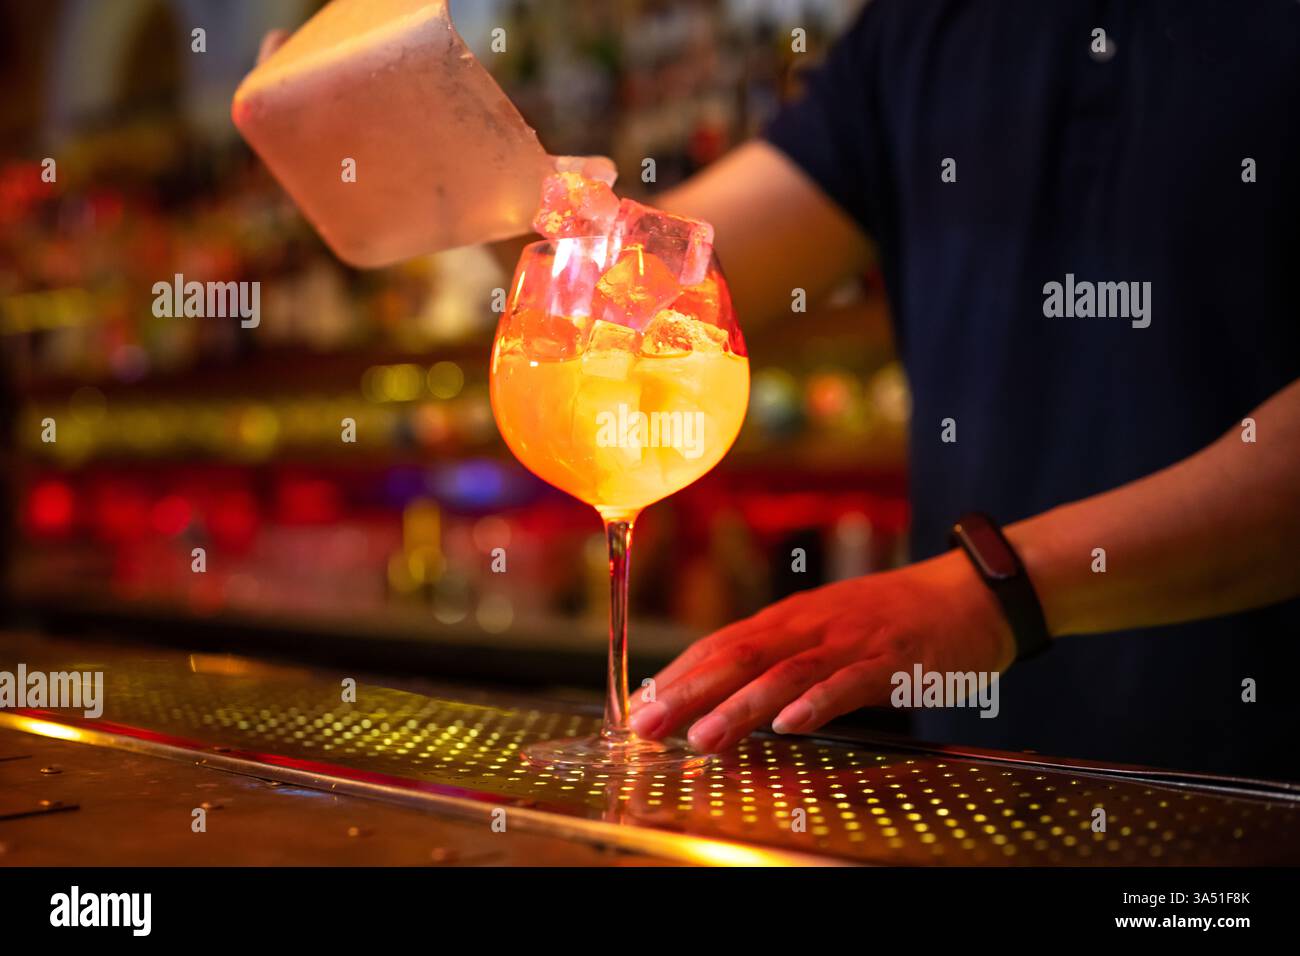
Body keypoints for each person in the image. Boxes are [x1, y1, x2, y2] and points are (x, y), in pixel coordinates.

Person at [624, 0, 1300, 780]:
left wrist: (998, 590)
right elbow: (651, 282)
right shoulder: (923, 27)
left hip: (1261, 782)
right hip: (978, 768)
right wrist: (492, 171)